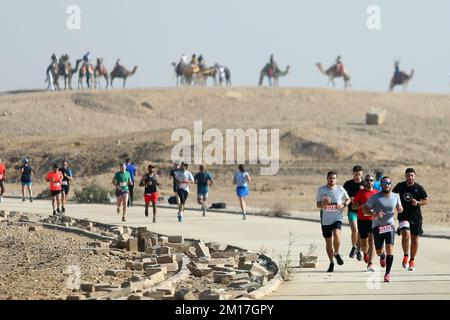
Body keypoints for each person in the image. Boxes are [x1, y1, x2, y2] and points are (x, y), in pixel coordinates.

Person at [364, 176, 403, 282]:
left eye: (388, 183)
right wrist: (375, 214)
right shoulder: (375, 197)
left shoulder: (395, 196)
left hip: (389, 226)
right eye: (384, 183)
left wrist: (400, 209)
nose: (386, 185)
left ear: (391, 185)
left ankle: (387, 274)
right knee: (378, 251)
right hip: (377, 226)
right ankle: (382, 256)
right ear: (381, 185)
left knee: (390, 248)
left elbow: (400, 208)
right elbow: (365, 210)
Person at [393, 168, 428, 271]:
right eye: (408, 175)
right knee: (406, 234)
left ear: (414, 176)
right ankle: (406, 256)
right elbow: (392, 196)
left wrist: (417, 203)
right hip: (403, 216)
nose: (410, 177)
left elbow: (426, 200)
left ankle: (412, 260)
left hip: (416, 217)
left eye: (412, 175)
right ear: (405, 176)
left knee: (415, 238)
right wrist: (397, 206)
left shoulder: (419, 188)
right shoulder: (400, 185)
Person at [316, 171, 351, 272]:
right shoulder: (322, 190)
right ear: (327, 179)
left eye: (334, 178)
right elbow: (317, 204)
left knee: (336, 234)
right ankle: (331, 262)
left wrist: (343, 205)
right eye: (330, 178)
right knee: (328, 243)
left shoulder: (340, 189)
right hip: (326, 219)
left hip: (337, 217)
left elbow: (348, 199)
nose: (332, 180)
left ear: (336, 179)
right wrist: (323, 204)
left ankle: (337, 253)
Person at [353, 174, 379, 271]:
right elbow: (353, 207)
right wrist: (361, 206)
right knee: (364, 242)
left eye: (371, 180)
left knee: (372, 240)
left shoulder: (377, 193)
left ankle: (371, 263)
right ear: (364, 182)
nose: (369, 182)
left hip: (373, 220)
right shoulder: (360, 193)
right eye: (367, 180)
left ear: (374, 182)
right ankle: (365, 253)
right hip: (362, 220)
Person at [343, 165, 364, 260]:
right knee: (355, 229)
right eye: (355, 174)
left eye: (359, 174)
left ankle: (359, 251)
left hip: (362, 212)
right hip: (352, 211)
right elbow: (343, 196)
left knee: (360, 231)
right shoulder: (348, 184)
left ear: (361, 173)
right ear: (353, 174)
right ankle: (353, 247)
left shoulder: (365, 183)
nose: (357, 176)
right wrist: (349, 199)